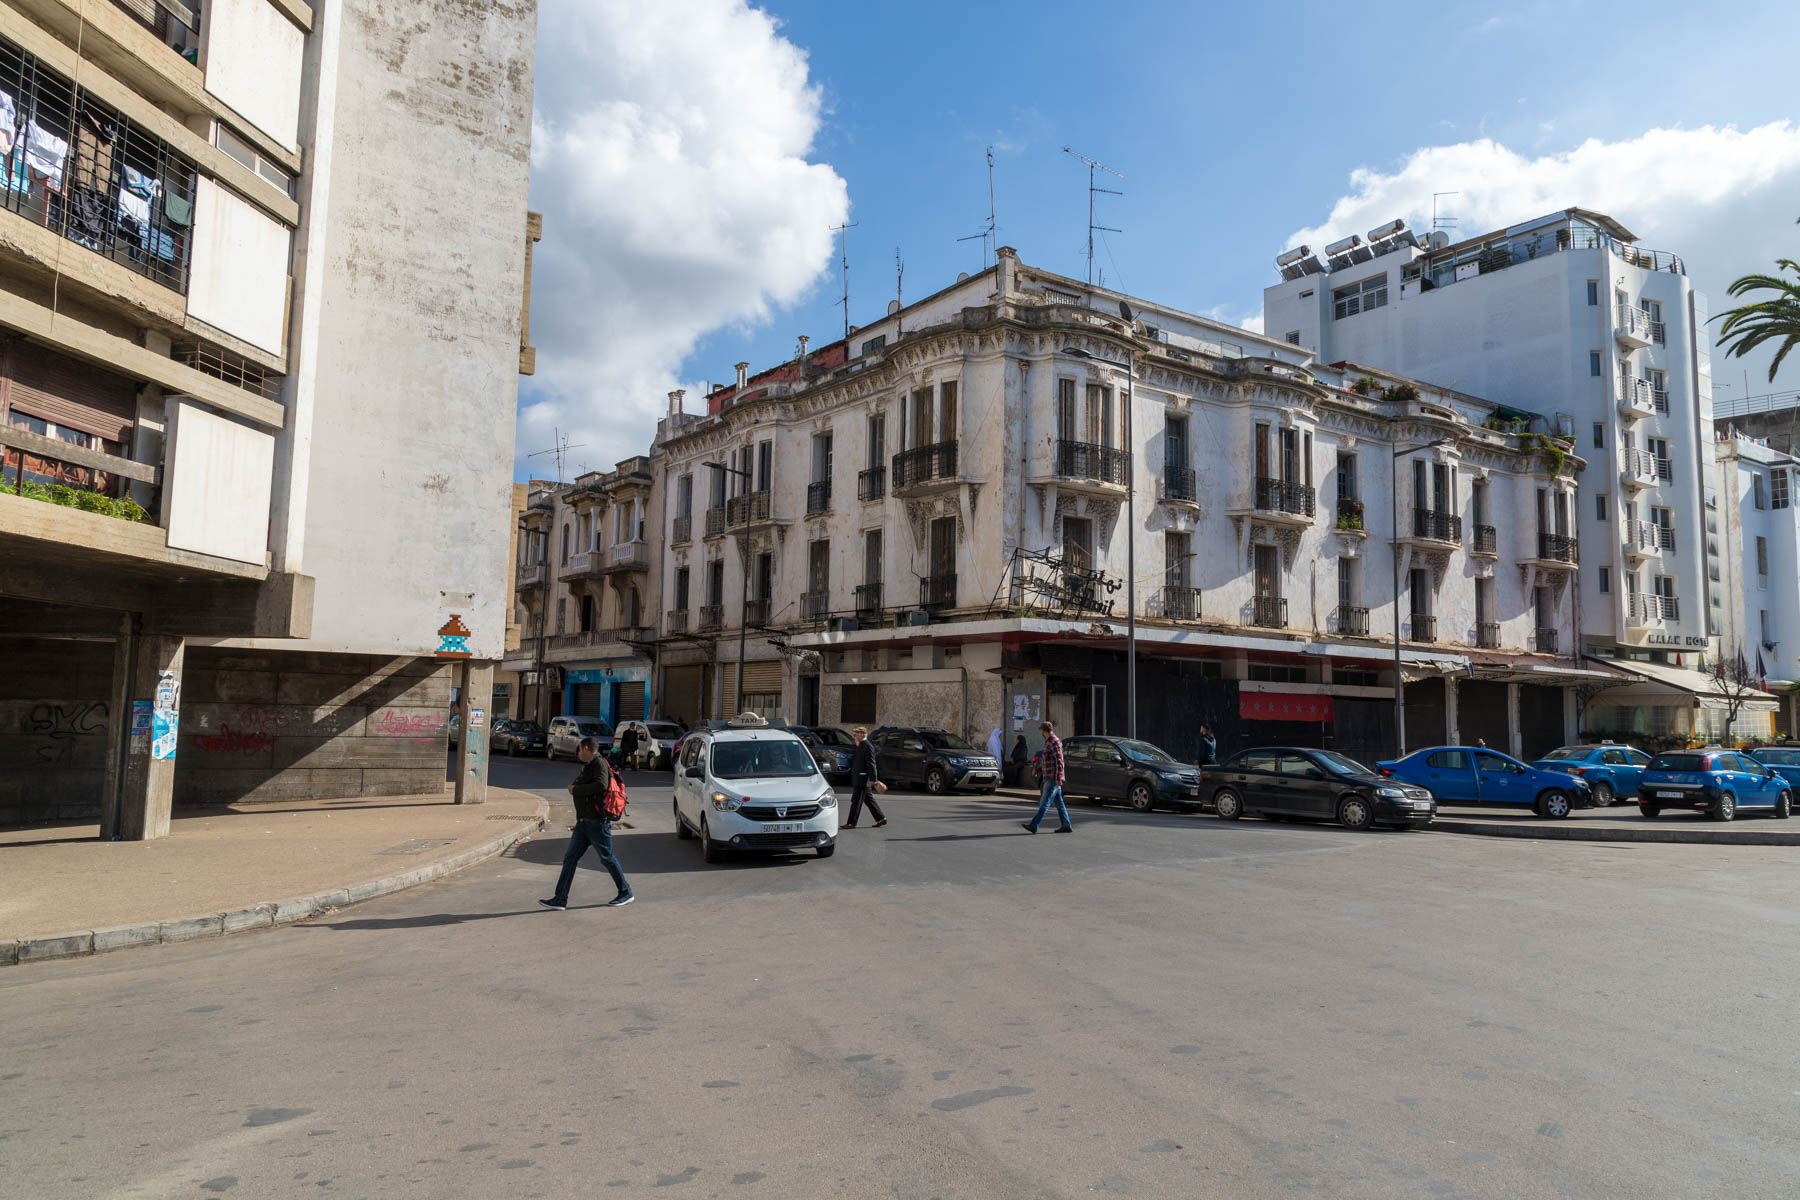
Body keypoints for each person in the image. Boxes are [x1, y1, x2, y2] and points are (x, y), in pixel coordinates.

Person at [539, 737, 633, 910]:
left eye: (580, 749)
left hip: (597, 822)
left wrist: (576, 790)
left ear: (587, 748)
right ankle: (560, 899)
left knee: (607, 858)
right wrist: (575, 787)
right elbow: (582, 782)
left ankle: (625, 892)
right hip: (583, 824)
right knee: (570, 858)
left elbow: (601, 785)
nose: (578, 753)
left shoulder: (599, 764)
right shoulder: (589, 765)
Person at [1022, 719, 1072, 833]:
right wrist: (1038, 769)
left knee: (1044, 803)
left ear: (1044, 730)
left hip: (1052, 778)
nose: (1041, 733)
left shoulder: (1054, 742)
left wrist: (1059, 778)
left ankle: (1034, 825)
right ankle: (1066, 825)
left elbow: (1059, 761)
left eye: (1041, 730)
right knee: (1059, 804)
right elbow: (1047, 760)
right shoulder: (1049, 741)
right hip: (1050, 776)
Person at [843, 726, 887, 829]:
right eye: (854, 734)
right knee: (869, 800)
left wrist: (873, 779)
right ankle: (881, 818)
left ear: (862, 735)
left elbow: (871, 763)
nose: (854, 736)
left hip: (862, 778)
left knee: (856, 801)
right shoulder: (861, 745)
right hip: (860, 778)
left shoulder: (867, 746)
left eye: (856, 734)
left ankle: (851, 823)